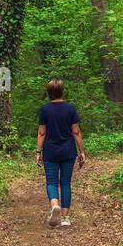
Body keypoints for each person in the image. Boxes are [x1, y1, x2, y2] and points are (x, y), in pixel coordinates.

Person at [35, 78, 85, 227]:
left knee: (51, 182)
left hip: (50, 151)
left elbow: (41, 133)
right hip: (68, 151)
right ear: (62, 91)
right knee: (65, 183)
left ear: (49, 93)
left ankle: (54, 204)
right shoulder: (70, 109)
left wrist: (38, 151)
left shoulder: (45, 109)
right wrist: (82, 151)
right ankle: (65, 218)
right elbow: (76, 131)